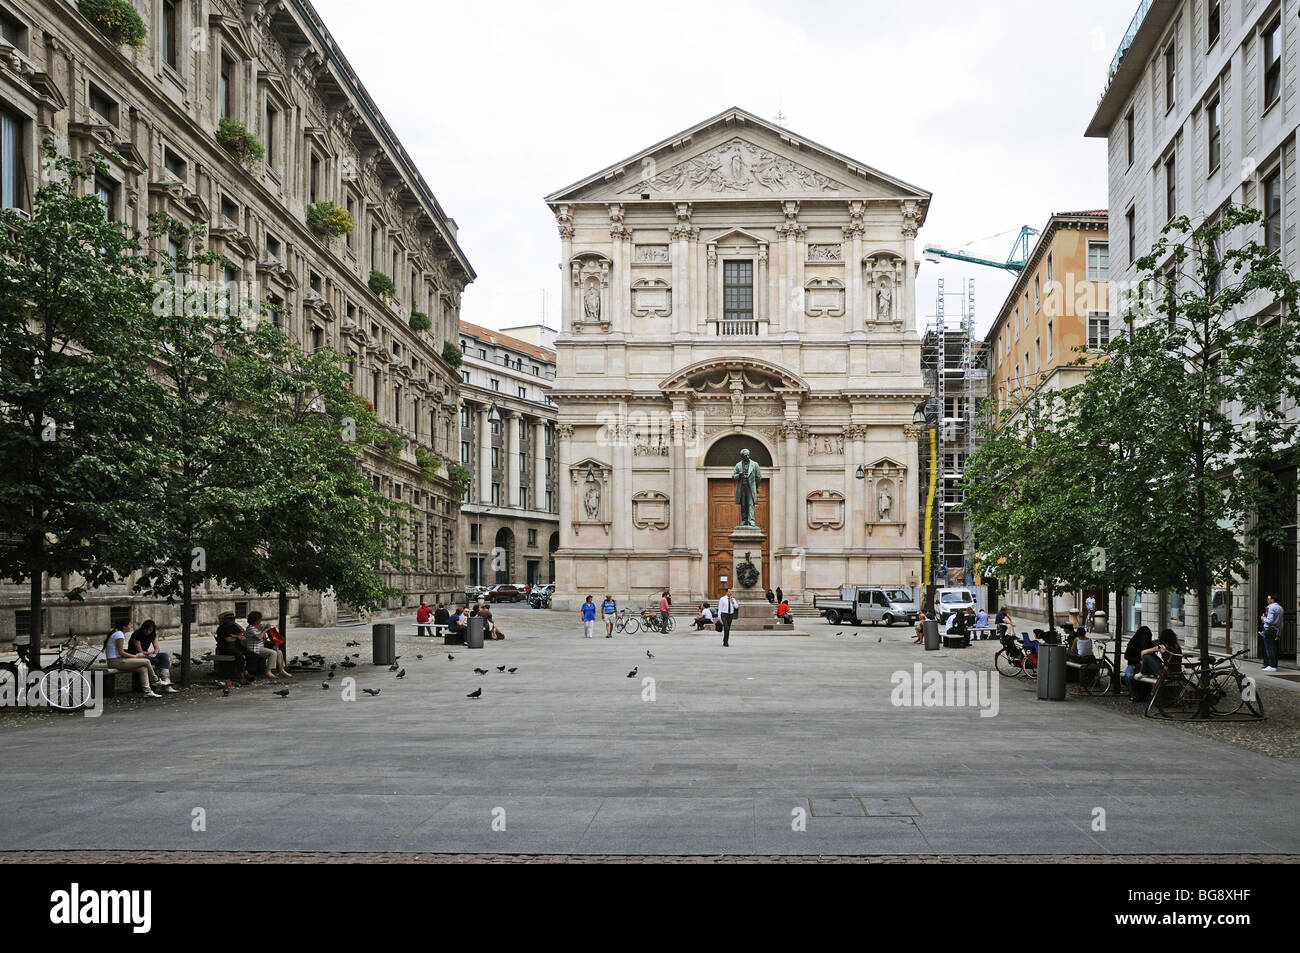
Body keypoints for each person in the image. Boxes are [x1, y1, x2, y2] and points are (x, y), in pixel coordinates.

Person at [105, 621, 169, 696]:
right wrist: (135, 656)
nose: (130, 626)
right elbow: (121, 652)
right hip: (115, 661)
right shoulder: (119, 635)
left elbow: (121, 653)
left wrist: (154, 653)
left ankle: (147, 691)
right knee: (146, 661)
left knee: (143, 668)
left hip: (118, 660)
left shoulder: (118, 633)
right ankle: (155, 680)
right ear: (124, 626)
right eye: (129, 624)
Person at [244, 611, 291, 679]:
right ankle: (268, 671)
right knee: (273, 653)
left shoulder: (259, 626)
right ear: (256, 620)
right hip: (254, 648)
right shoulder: (250, 628)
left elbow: (269, 629)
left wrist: (275, 641)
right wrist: (265, 630)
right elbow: (258, 637)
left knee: (279, 652)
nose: (261, 620)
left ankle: (282, 670)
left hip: (261, 647)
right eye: (259, 619)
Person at [129, 620, 175, 688]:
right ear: (143, 628)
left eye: (150, 630)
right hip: (137, 655)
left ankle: (166, 680)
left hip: (146, 655)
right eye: (146, 629)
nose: (148, 632)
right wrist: (150, 653)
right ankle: (161, 683)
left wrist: (155, 654)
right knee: (158, 661)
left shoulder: (153, 635)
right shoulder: (137, 634)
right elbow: (140, 651)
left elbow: (157, 649)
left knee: (164, 655)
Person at [215, 611, 253, 684]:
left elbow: (242, 636)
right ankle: (242, 676)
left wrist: (235, 636)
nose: (233, 621)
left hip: (236, 646)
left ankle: (246, 672)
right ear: (225, 620)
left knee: (250, 653)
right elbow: (228, 640)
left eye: (233, 619)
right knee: (239, 656)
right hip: (226, 648)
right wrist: (237, 637)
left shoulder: (235, 626)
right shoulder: (222, 628)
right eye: (230, 619)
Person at [1124, 626, 1155, 701]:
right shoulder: (1133, 642)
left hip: (1145, 666)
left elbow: (1152, 656)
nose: (1145, 637)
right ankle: (1133, 695)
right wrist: (1137, 661)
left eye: (1146, 636)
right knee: (1128, 676)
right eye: (1144, 635)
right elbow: (1127, 656)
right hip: (1133, 664)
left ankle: (1145, 694)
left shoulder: (1149, 643)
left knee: (1147, 677)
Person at [1260, 594, 1282, 672]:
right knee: (1274, 648)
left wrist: (1263, 618)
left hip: (1269, 630)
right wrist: (1279, 633)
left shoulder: (1270, 607)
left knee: (1269, 648)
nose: (1267, 600)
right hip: (1275, 630)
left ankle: (1271, 665)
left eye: (1268, 599)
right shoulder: (1280, 608)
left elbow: (1269, 620)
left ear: (1272, 600)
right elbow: (1280, 623)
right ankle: (1273, 665)